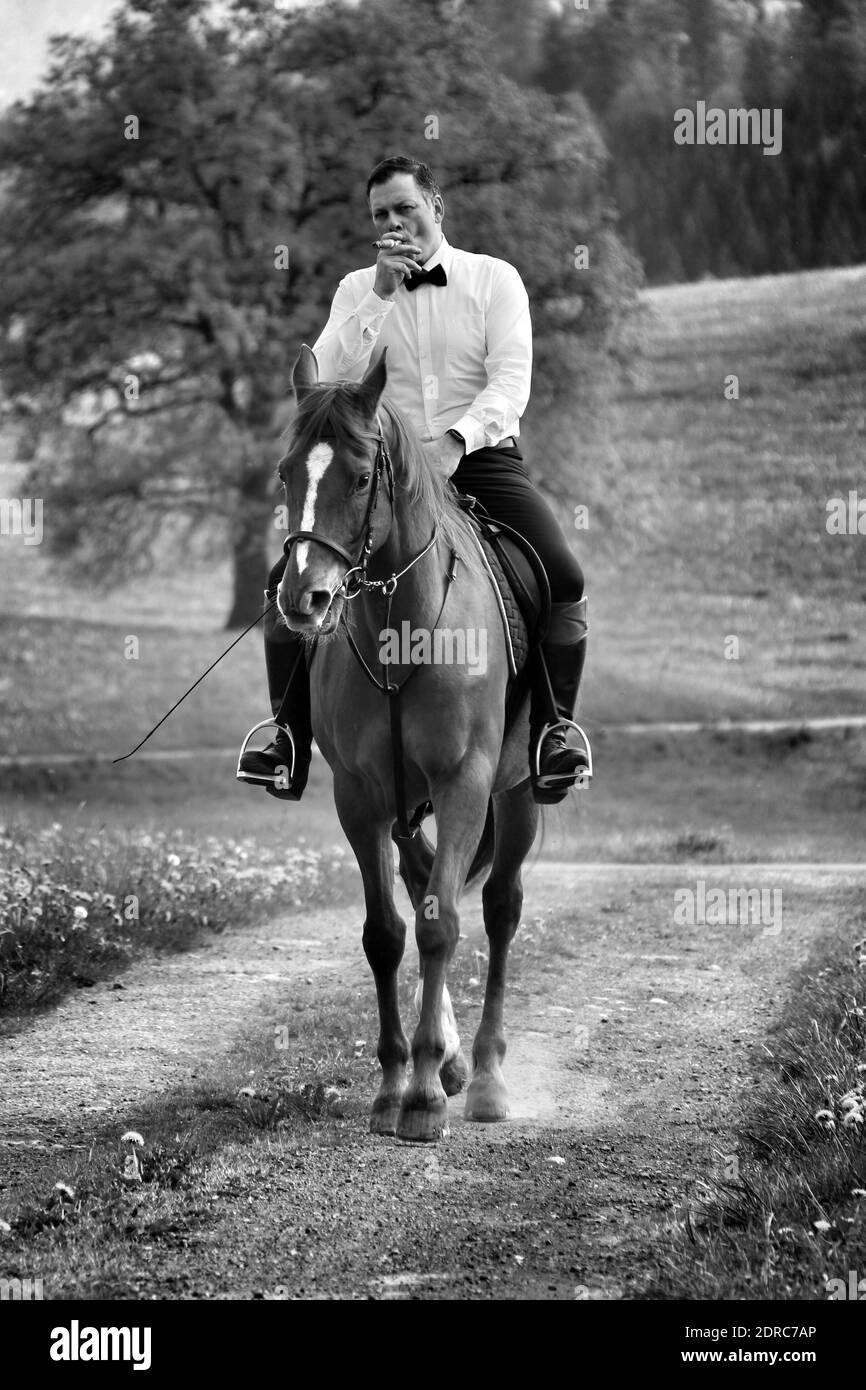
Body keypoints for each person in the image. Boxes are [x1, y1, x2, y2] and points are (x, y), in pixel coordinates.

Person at [237, 154, 589, 804]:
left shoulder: (494, 280)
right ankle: (285, 739)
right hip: (383, 473)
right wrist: (378, 294)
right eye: (381, 215)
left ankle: (553, 734)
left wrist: (457, 440)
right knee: (283, 582)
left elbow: (511, 382)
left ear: (436, 208)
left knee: (561, 574)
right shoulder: (356, 290)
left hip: (479, 460)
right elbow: (322, 377)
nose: (394, 223)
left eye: (405, 208)